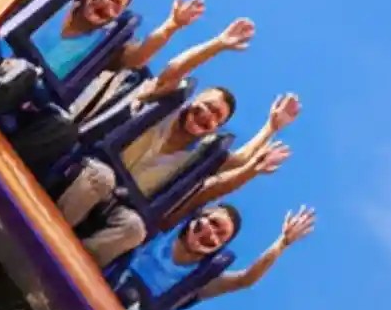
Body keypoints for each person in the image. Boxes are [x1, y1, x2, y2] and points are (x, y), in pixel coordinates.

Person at [69, 88, 302, 267]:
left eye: (216, 116)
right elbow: (173, 71)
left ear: (214, 129)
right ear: (192, 100)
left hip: (125, 207)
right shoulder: (161, 109)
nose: (207, 115)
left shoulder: (196, 158)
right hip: (93, 177)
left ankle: (70, 262)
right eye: (206, 106)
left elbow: (234, 164)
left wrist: (270, 128)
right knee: (102, 177)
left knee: (135, 229)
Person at [116, 205, 317, 310]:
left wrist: (282, 243)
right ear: (199, 215)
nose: (210, 232)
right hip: (110, 277)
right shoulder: (167, 227)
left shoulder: (198, 280)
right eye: (212, 222)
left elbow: (245, 279)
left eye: (220, 235)